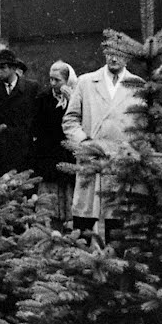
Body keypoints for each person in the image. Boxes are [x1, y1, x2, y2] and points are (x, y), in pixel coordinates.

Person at [62, 49, 143, 238]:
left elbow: (143, 125)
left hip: (121, 160)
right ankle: (80, 262)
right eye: (110, 53)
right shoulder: (86, 81)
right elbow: (70, 120)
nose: (114, 58)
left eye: (120, 53)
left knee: (117, 217)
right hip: (91, 157)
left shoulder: (138, 85)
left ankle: (115, 261)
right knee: (85, 216)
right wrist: (84, 142)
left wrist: (132, 150)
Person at [0, 49, 41, 176]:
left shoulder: (31, 88)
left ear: (13, 68)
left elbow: (37, 116)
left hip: (24, 150)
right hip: (0, 152)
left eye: (3, 68)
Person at [31, 60, 77, 225]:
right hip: (49, 156)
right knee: (50, 207)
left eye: (57, 80)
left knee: (70, 203)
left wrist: (70, 101)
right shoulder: (43, 98)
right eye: (51, 79)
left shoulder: (76, 98)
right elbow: (37, 126)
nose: (53, 83)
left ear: (67, 81)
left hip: (69, 156)